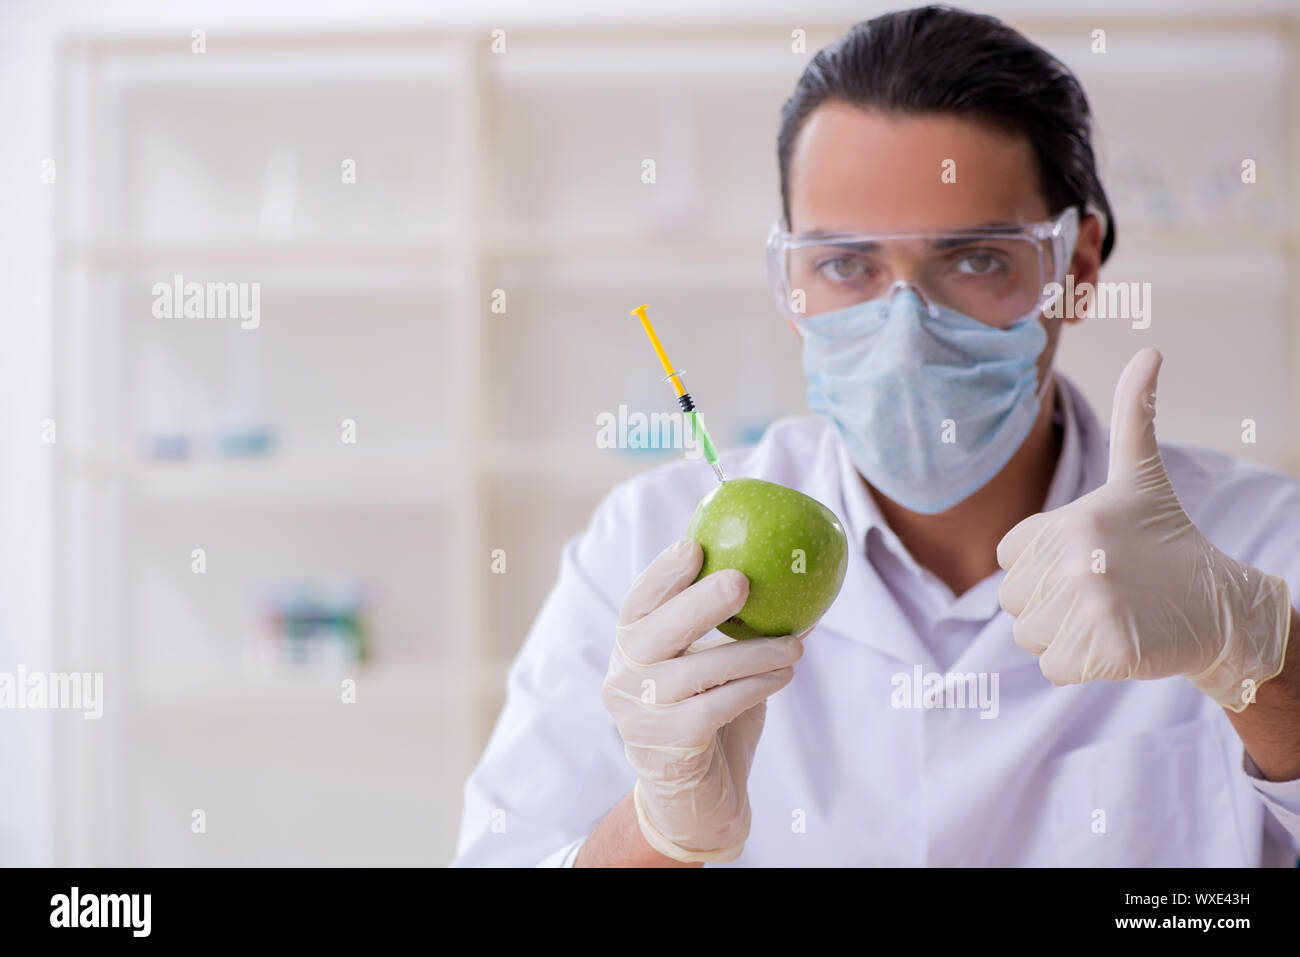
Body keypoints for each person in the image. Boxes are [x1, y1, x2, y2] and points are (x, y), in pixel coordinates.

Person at [452, 5, 1300, 867]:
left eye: (975, 260)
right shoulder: (650, 544)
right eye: (846, 264)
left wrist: (1267, 665)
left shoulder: (1259, 549)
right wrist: (658, 833)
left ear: (1075, 269)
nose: (904, 331)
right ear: (791, 281)